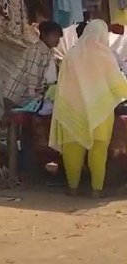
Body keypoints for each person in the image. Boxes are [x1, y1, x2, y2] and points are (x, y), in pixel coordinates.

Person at [50, 19, 127, 198]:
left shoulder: (71, 55)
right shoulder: (106, 56)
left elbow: (61, 84)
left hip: (72, 110)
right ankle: (96, 190)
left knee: (72, 151)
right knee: (98, 152)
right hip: (101, 113)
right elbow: (118, 84)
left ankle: (73, 188)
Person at [4, 21, 63, 108]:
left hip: (25, 97)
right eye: (54, 36)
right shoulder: (36, 50)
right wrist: (33, 95)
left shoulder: (49, 52)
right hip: (15, 94)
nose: (57, 40)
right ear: (44, 35)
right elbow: (32, 73)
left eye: (59, 37)